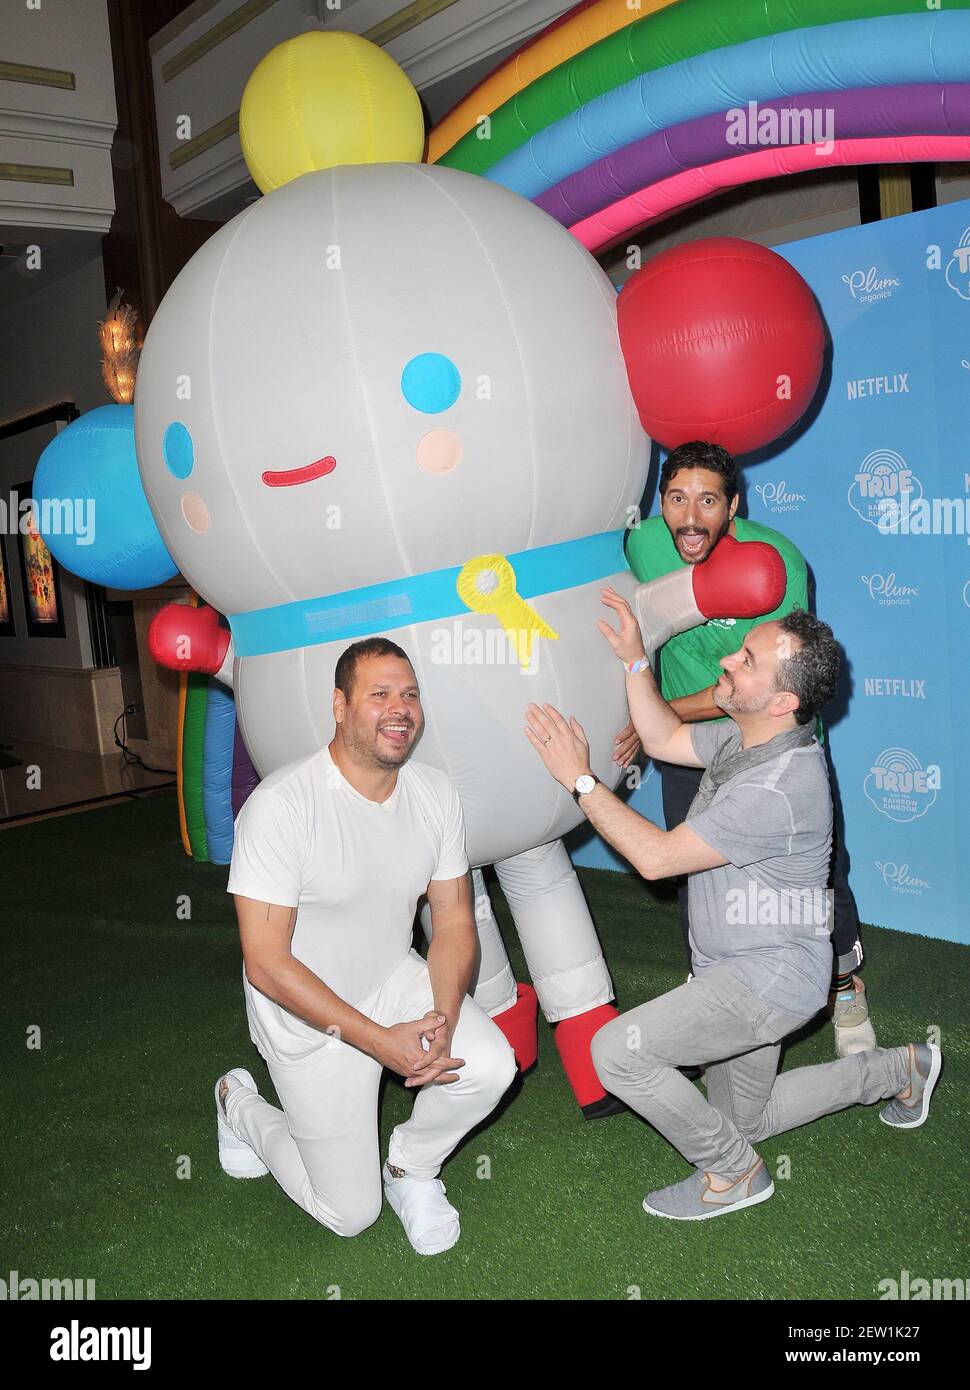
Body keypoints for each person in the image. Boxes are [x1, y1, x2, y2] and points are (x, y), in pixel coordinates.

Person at [525, 598, 942, 1220]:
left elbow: (659, 859)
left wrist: (580, 780)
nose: (726, 658)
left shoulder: (779, 788)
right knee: (747, 1117)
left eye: (746, 660)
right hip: (753, 969)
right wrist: (636, 658)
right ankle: (901, 1070)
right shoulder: (747, 738)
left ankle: (733, 1174)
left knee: (617, 1052)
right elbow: (663, 736)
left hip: (764, 984)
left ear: (782, 703)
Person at [219, 637, 516, 1255]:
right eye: (379, 694)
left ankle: (410, 1167)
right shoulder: (281, 806)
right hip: (306, 1018)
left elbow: (455, 916)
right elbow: (267, 965)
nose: (399, 708)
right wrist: (381, 1044)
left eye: (409, 694)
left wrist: (444, 1016)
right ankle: (238, 1105)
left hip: (390, 980)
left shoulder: (434, 793)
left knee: (491, 1065)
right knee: (349, 1214)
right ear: (339, 705)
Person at [622, 440, 874, 1056]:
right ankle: (711, 988)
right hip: (692, 745)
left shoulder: (775, 561)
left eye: (708, 501)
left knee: (815, 883)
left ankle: (844, 981)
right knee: (695, 871)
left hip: (770, 735)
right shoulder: (642, 545)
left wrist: (661, 712)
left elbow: (769, 688)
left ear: (733, 505)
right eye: (676, 499)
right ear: (660, 503)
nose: (690, 517)